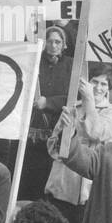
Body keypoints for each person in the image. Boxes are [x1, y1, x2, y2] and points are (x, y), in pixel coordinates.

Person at [44, 65, 112, 223]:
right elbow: (52, 147)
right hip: (61, 187)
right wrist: (63, 138)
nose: (98, 88)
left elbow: (96, 133)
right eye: (94, 82)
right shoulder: (73, 107)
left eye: (104, 84)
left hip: (88, 193)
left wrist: (88, 100)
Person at [20, 26, 71, 200]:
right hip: (29, 130)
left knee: (44, 181)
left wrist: (48, 102)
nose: (53, 45)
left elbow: (72, 97)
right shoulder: (34, 62)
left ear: (64, 45)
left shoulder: (70, 66)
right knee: (23, 176)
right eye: (50, 41)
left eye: (58, 42)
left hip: (53, 133)